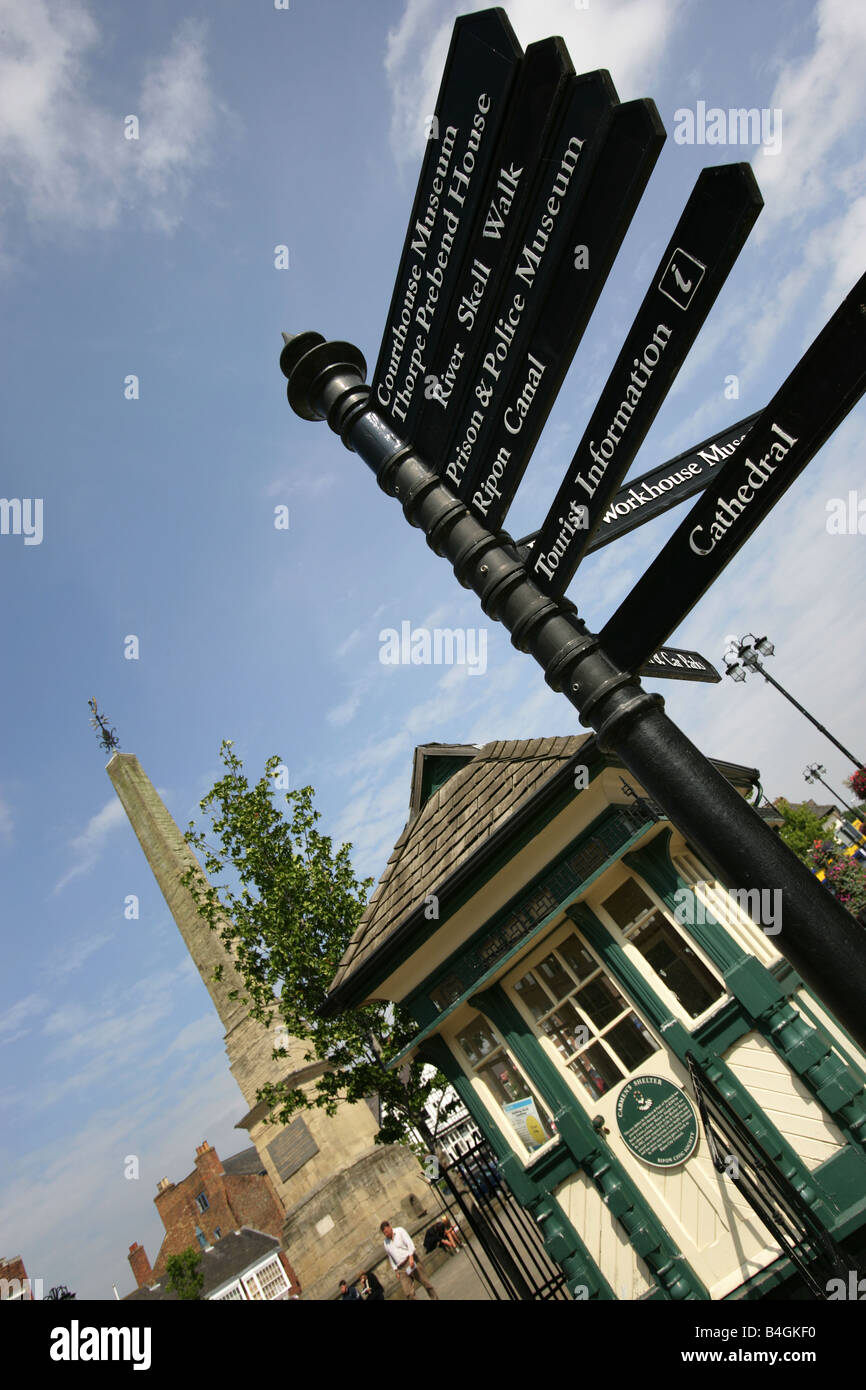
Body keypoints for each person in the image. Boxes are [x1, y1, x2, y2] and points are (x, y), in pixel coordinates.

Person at [380, 1220, 439, 1300]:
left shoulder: (400, 1231)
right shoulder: (385, 1242)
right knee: (408, 1293)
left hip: (410, 1260)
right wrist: (396, 1270)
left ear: (390, 1227)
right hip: (401, 1268)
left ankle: (435, 1298)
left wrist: (411, 1258)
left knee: (425, 1282)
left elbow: (409, 1243)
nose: (386, 1234)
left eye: (387, 1232)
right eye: (384, 1233)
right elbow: (390, 1257)